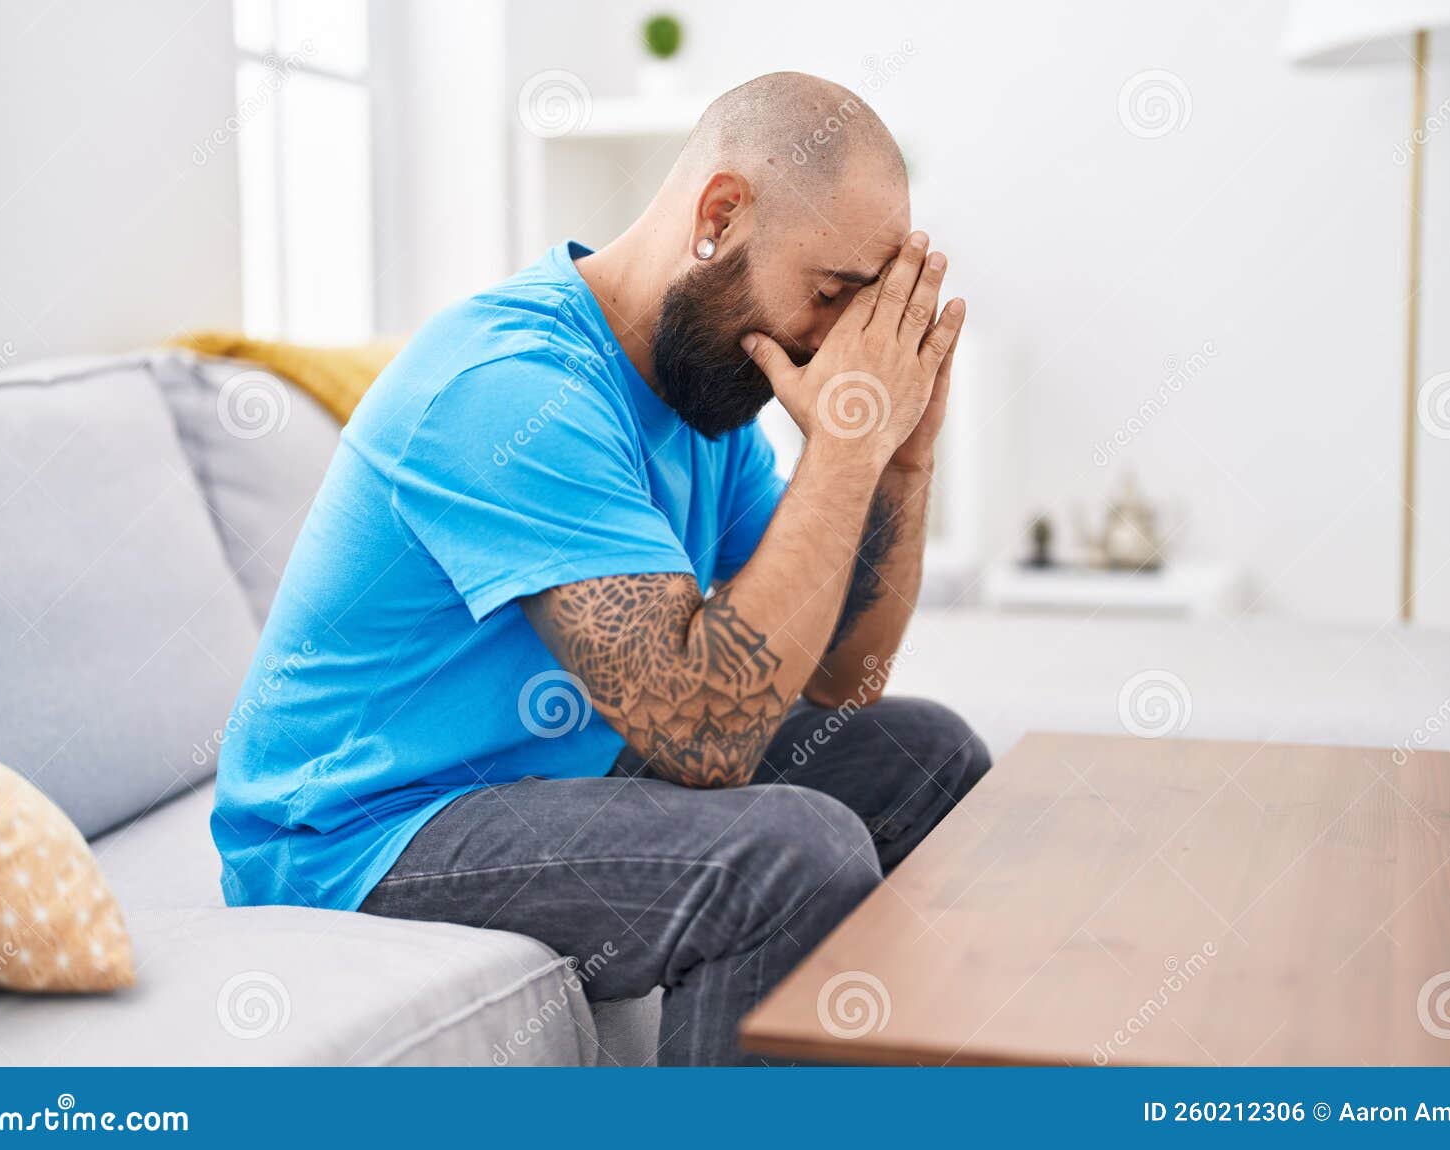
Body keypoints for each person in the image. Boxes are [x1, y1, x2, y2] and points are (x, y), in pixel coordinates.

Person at [212, 71, 992, 1065]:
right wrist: (842, 449)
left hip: (547, 771)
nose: (830, 340)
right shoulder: (507, 384)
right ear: (719, 215)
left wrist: (902, 461)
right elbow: (705, 730)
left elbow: (845, 678)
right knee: (789, 855)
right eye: (830, 293)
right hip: (355, 830)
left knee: (925, 752)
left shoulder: (703, 391)